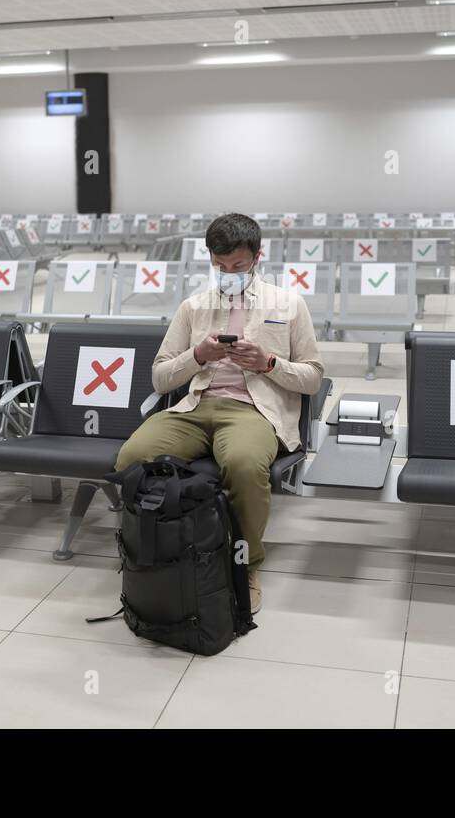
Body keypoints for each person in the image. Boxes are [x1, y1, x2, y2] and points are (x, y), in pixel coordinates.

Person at [115, 213, 324, 614]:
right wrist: (198, 355)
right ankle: (150, 546)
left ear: (257, 257)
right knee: (131, 458)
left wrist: (268, 363)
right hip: (195, 406)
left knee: (244, 465)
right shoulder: (193, 307)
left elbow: (313, 378)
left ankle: (247, 564)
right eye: (220, 266)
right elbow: (160, 377)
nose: (228, 273)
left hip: (252, 410)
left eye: (238, 266)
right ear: (210, 259)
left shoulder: (289, 304)